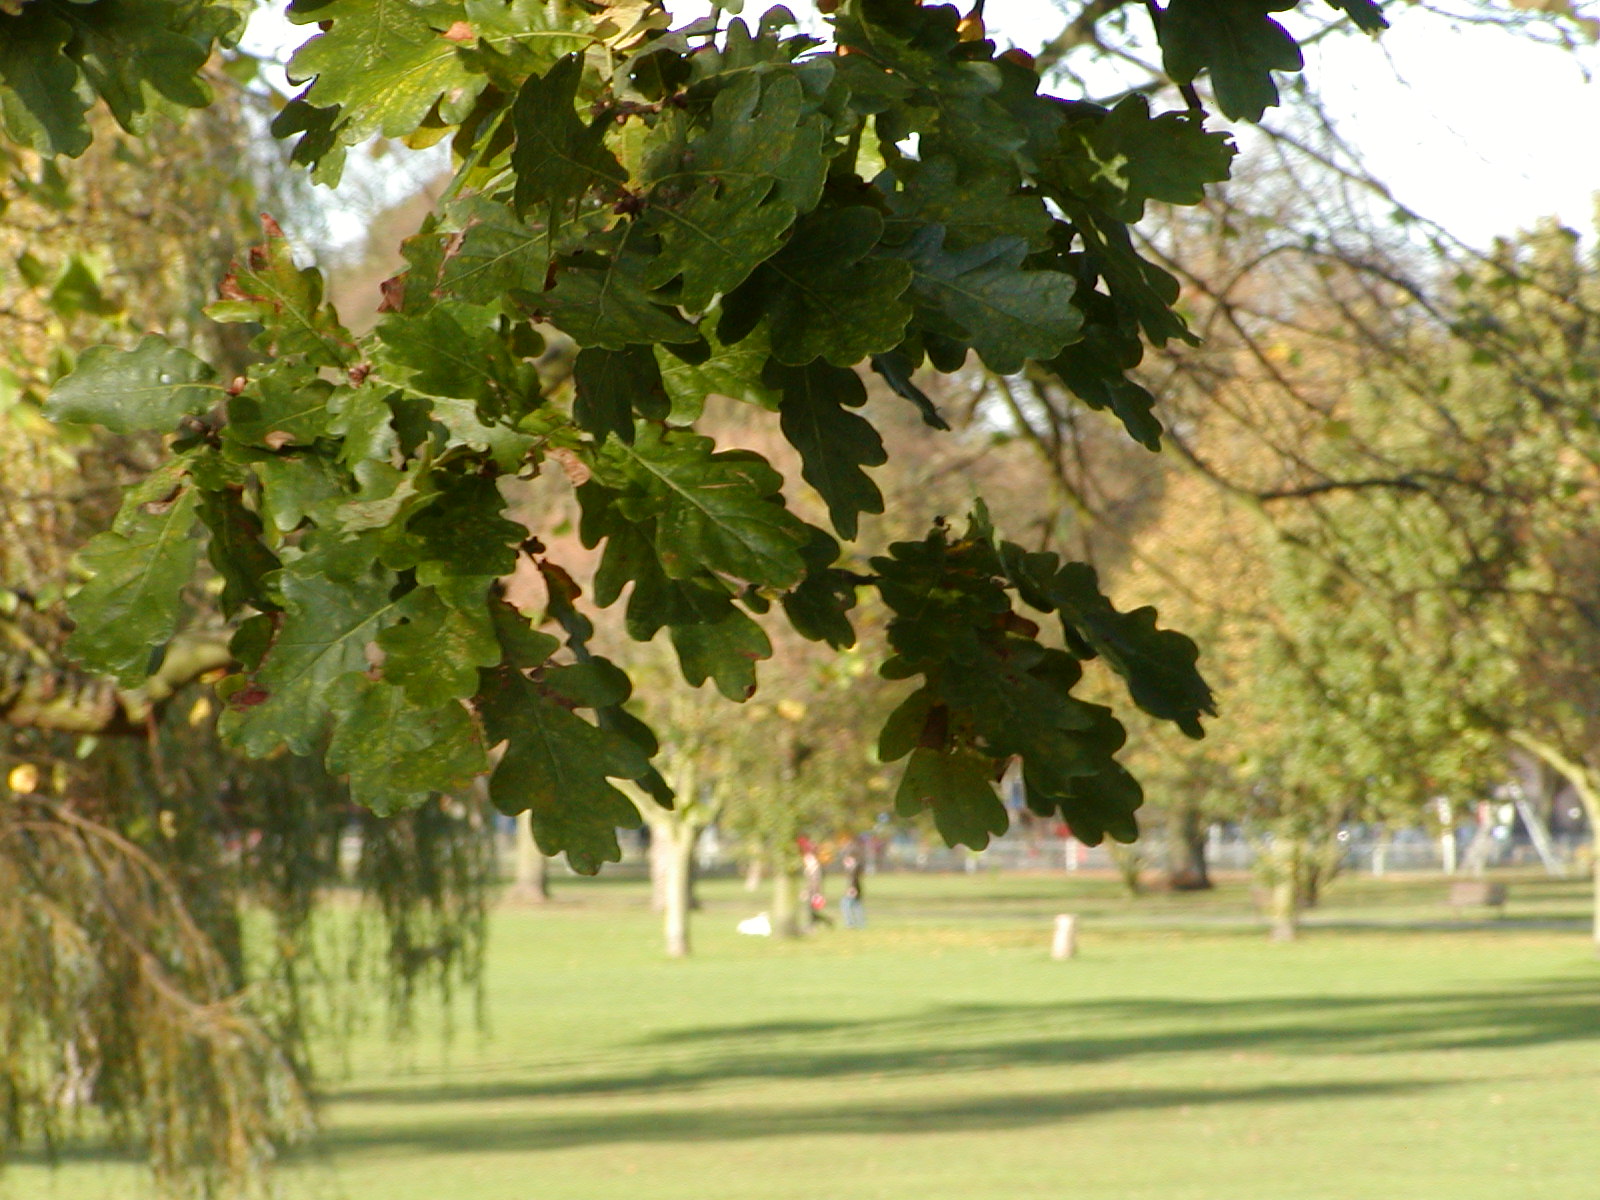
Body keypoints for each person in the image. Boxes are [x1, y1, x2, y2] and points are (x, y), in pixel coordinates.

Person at [801, 845, 832, 929]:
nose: (806, 861)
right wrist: (805, 891)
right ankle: (826, 921)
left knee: (811, 911)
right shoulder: (809, 870)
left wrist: (815, 894)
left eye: (808, 859)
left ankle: (812, 926)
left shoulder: (816, 869)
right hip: (811, 892)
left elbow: (816, 883)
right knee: (811, 911)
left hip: (815, 893)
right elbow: (808, 883)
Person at [840, 851, 865, 928]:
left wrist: (852, 889)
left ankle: (850, 924)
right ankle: (860, 924)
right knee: (856, 906)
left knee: (845, 905)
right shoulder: (852, 868)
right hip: (853, 890)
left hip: (853, 891)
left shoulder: (855, 867)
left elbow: (854, 879)